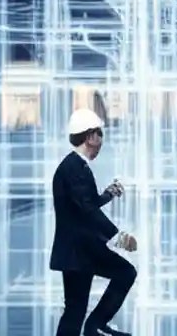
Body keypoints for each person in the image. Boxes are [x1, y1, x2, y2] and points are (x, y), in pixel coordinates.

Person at [50, 108, 138, 336]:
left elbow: (84, 203)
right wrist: (119, 237)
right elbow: (87, 209)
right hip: (79, 251)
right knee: (76, 309)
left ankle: (95, 326)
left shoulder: (75, 167)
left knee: (76, 308)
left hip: (82, 250)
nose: (101, 142)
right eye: (100, 135)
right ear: (90, 137)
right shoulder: (74, 168)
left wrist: (108, 194)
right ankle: (95, 326)